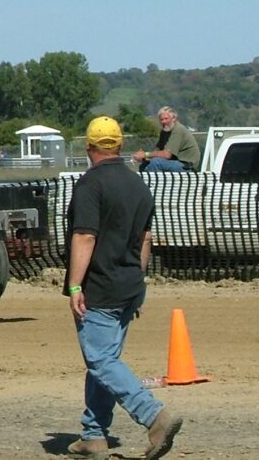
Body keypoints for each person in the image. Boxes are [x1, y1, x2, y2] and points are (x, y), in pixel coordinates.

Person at [65, 116, 183, 459]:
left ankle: (154, 417)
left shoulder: (90, 185)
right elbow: (146, 238)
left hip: (99, 288)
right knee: (106, 360)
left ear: (89, 147)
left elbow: (85, 235)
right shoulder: (139, 184)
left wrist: (74, 286)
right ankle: (93, 434)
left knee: (100, 359)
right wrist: (138, 279)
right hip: (130, 285)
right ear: (119, 145)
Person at [132, 107, 200, 172]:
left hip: (186, 165)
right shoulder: (164, 131)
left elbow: (167, 155)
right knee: (144, 165)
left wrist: (145, 154)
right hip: (174, 162)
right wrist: (143, 158)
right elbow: (157, 151)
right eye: (161, 119)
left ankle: (154, 184)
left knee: (156, 163)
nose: (163, 122)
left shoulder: (178, 129)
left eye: (166, 119)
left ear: (174, 118)